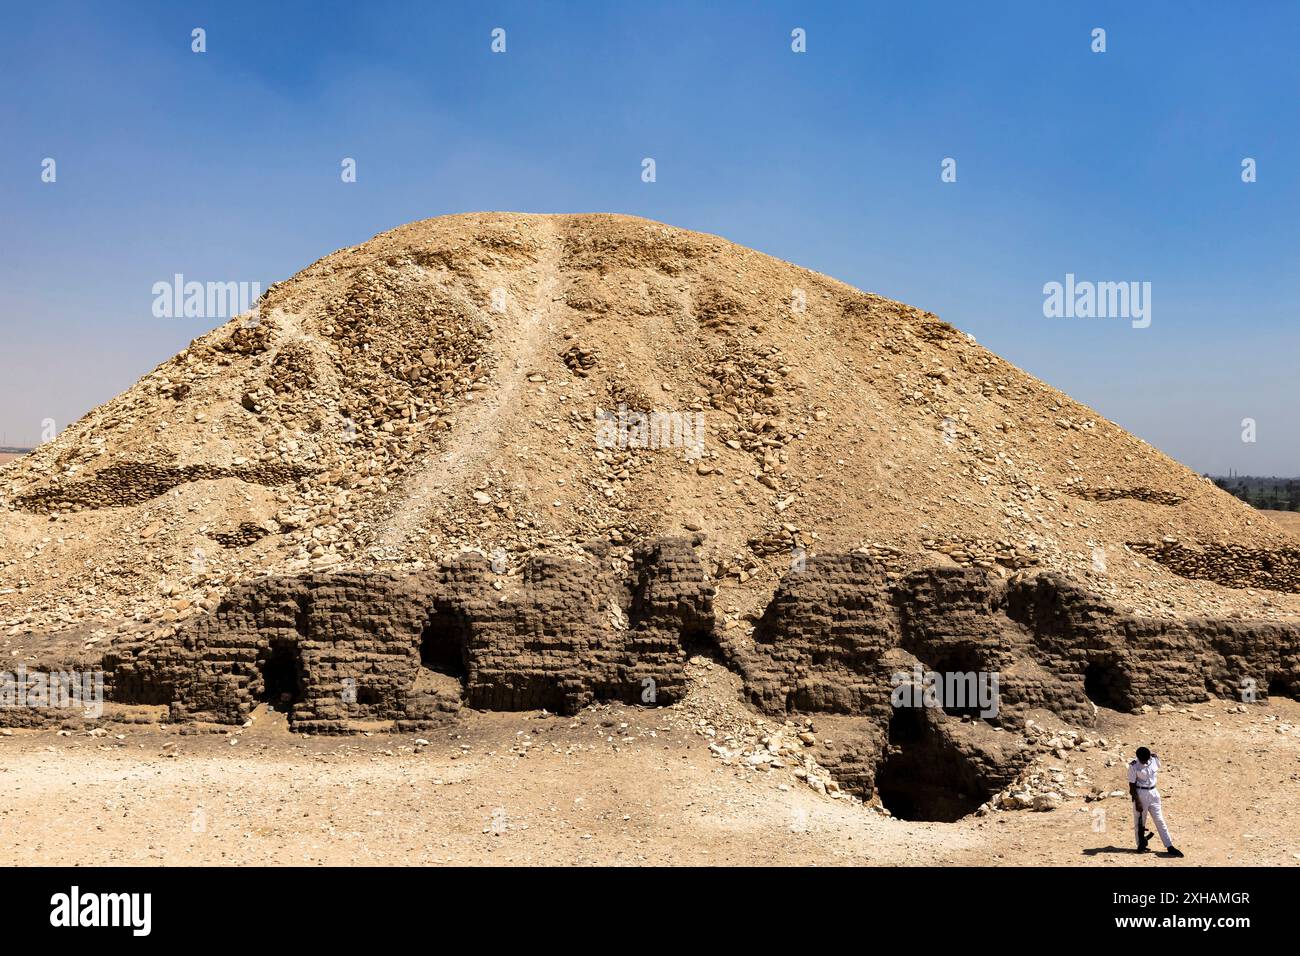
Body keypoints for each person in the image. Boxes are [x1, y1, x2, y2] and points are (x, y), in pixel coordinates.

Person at [1129, 746, 1184, 857]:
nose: (1143, 762)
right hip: (1140, 794)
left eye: (1145, 760)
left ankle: (1169, 846)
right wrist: (1138, 801)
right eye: (1141, 760)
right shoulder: (1133, 765)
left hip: (1154, 793)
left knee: (1160, 820)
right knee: (1140, 822)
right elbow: (1132, 785)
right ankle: (1141, 845)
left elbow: (1157, 767)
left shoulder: (1154, 759)